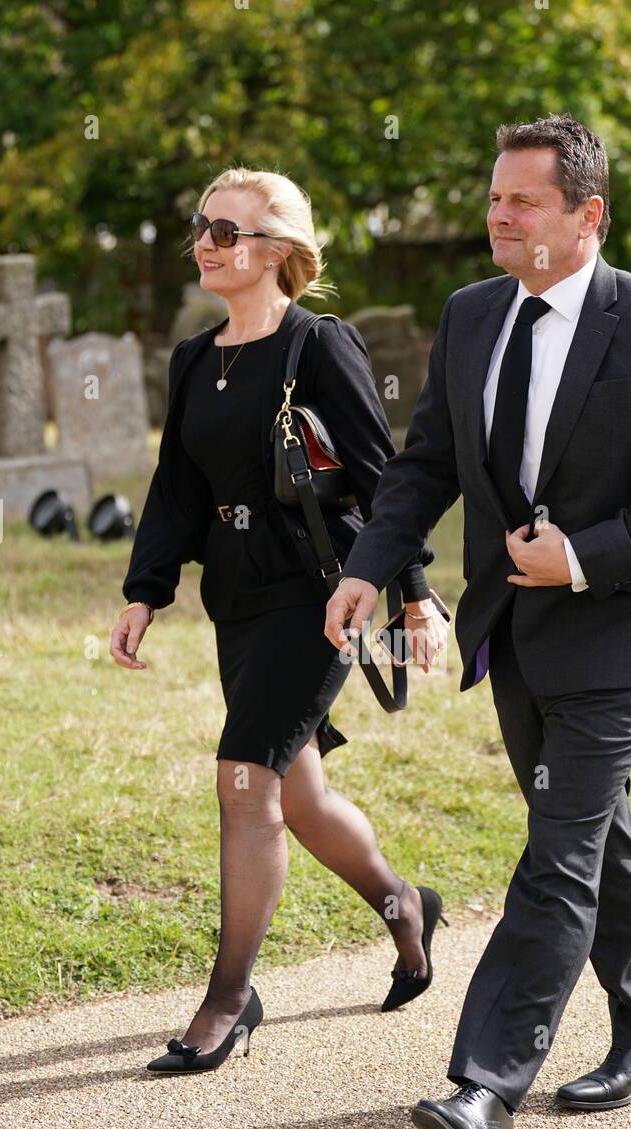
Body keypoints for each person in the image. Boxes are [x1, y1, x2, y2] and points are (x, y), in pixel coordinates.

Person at [325, 114, 631, 1129]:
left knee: (557, 857)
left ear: (586, 215)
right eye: (495, 197)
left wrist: (582, 555)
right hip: (513, 632)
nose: (496, 215)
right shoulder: (469, 318)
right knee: (600, 844)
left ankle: (485, 1086)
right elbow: (424, 466)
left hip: (616, 635)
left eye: (522, 201)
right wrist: (368, 567)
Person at [110, 167, 450, 1073]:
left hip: (316, 595)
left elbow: (385, 479)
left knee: (243, 784)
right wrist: (146, 590)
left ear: (280, 252)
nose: (208, 243)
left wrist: (414, 591)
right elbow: (174, 488)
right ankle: (403, 905)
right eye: (202, 226)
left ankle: (230, 997)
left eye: (229, 230)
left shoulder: (318, 346)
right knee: (297, 795)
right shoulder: (194, 357)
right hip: (236, 597)